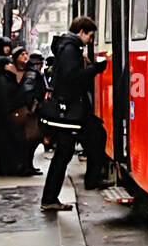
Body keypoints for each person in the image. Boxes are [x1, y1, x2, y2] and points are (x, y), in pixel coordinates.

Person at [42, 17, 110, 210]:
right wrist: (94, 68)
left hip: (70, 111)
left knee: (92, 137)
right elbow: (73, 78)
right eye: (89, 36)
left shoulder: (66, 47)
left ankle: (88, 181)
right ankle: (50, 198)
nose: (90, 40)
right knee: (67, 152)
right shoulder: (71, 50)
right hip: (70, 112)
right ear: (81, 32)